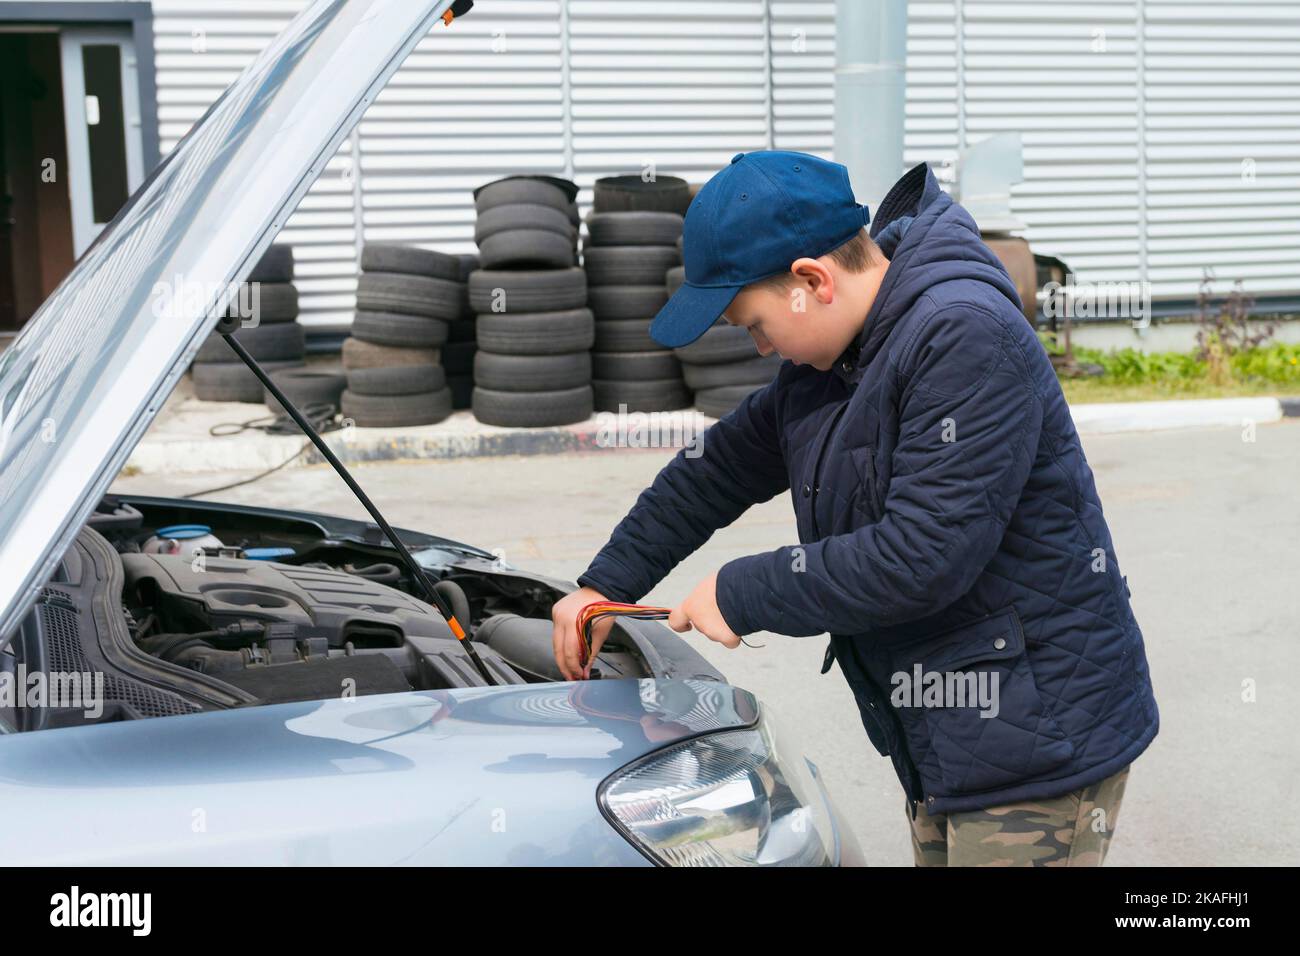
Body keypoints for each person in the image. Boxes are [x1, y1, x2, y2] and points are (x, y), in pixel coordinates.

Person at [551, 151, 1159, 866]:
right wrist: (605, 584)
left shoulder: (964, 336)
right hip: (957, 726)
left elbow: (922, 557)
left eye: (755, 323)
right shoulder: (834, 362)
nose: (759, 344)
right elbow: (713, 472)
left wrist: (743, 590)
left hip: (1040, 737)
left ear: (812, 280)